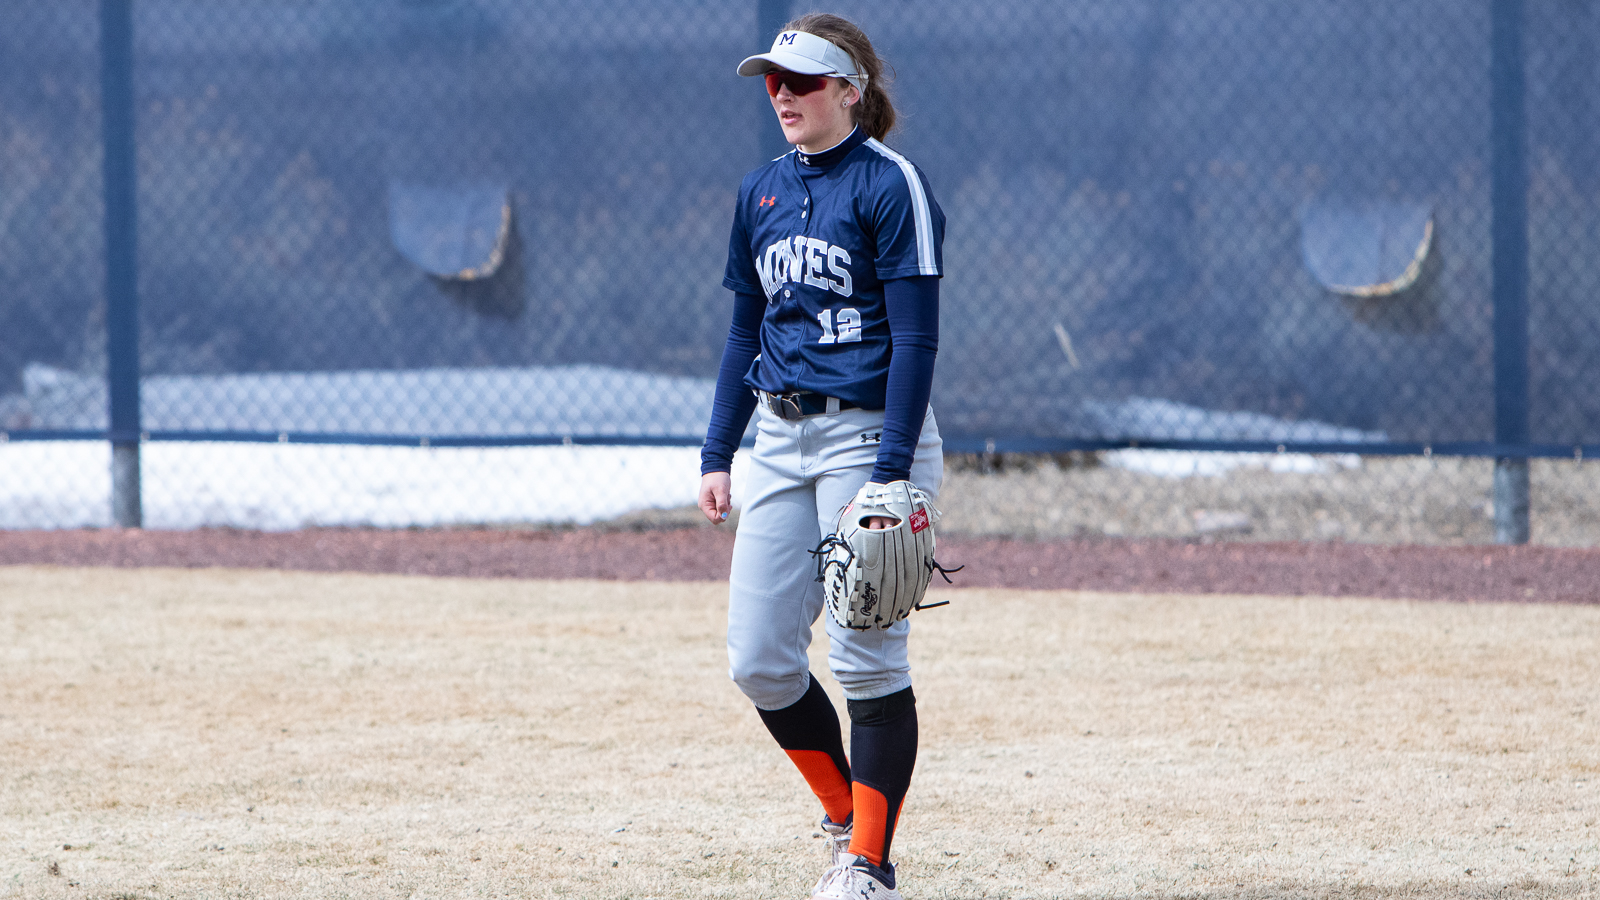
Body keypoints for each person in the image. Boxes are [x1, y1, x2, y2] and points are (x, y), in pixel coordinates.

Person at [697, 13, 946, 900]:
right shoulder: (759, 190)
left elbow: (917, 341)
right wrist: (718, 450)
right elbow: (743, 331)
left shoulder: (891, 186)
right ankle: (848, 819)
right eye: (773, 80)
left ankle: (868, 867)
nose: (782, 95)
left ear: (851, 90)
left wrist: (892, 466)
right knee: (760, 659)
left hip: (867, 432)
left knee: (867, 654)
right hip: (777, 436)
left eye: (801, 81)